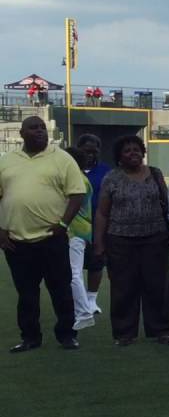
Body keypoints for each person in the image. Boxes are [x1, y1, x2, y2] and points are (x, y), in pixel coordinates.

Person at [0, 117, 86, 351]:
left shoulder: (62, 158)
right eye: (33, 127)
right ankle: (30, 338)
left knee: (60, 289)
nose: (39, 131)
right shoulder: (7, 161)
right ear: (21, 133)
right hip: (16, 241)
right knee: (26, 294)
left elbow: (76, 194)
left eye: (41, 127)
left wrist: (63, 223)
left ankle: (67, 335)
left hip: (52, 238)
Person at [93, 135, 169, 346]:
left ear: (143, 152)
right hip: (120, 240)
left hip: (155, 237)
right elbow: (102, 213)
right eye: (127, 150)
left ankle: (162, 330)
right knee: (123, 287)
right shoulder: (112, 178)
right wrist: (99, 243)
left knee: (158, 285)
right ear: (119, 156)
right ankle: (124, 334)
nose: (133, 153)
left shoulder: (155, 174)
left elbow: (167, 205)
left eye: (136, 149)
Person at [76, 133, 111, 320]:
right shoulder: (69, 168)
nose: (90, 154)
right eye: (86, 150)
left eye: (94, 150)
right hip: (74, 227)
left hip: (98, 226)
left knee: (96, 263)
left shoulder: (106, 170)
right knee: (74, 267)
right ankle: (79, 301)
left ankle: (91, 300)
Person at [63, 147, 96, 330]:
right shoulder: (80, 178)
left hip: (75, 232)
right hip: (77, 231)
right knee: (73, 273)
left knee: (74, 273)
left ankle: (84, 313)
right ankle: (81, 311)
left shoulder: (78, 180)